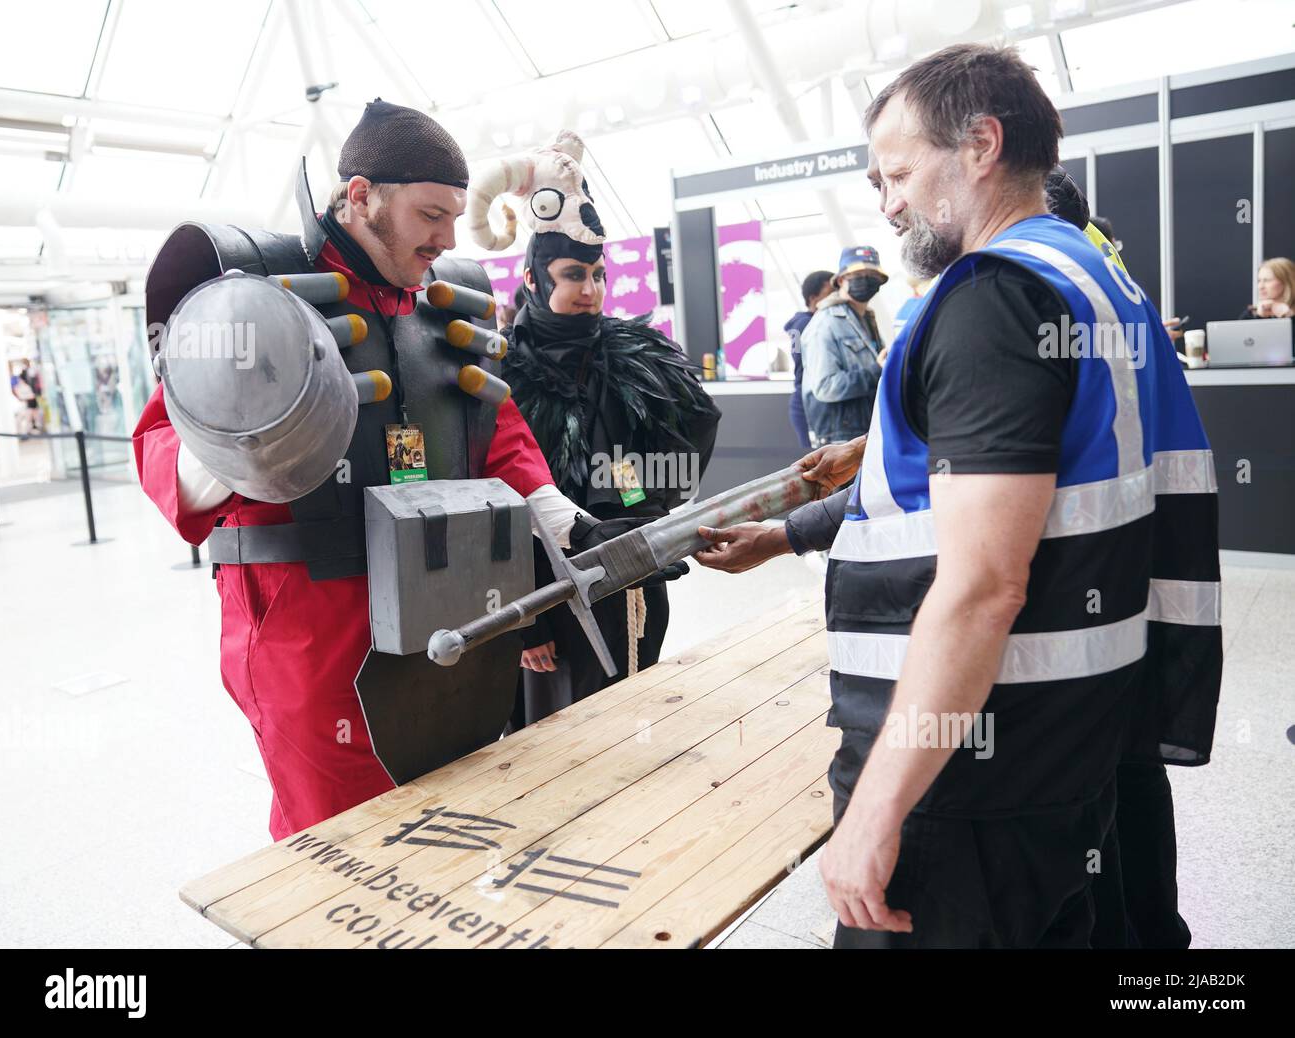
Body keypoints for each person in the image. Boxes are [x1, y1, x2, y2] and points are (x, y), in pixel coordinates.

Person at [693, 42, 1222, 949]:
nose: (888, 203)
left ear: (980, 143)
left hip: (975, 766)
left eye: (898, 173)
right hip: (1075, 731)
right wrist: (794, 528)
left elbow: (982, 584)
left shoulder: (991, 299)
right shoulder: (1096, 277)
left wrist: (874, 811)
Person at [133, 100, 608, 842]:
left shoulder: (450, 298)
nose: (447, 237)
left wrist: (567, 521)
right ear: (360, 198)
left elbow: (496, 428)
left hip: (444, 618)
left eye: (454, 216)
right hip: (310, 638)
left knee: (449, 824)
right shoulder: (258, 291)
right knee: (337, 846)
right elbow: (165, 439)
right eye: (429, 215)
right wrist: (253, 436)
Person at [469, 131, 721, 727]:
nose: (590, 290)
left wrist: (648, 514)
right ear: (533, 281)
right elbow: (487, 500)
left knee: (635, 718)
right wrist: (524, 618)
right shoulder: (498, 372)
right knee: (556, 738)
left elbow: (688, 438)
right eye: (573, 275)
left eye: (598, 275)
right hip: (545, 596)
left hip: (635, 576)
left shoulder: (638, 357)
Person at [799, 246, 887, 446]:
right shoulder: (825, 323)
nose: (866, 280)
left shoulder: (866, 319)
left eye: (872, 275)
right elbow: (825, 387)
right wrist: (876, 371)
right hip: (839, 439)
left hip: (864, 432)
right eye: (858, 275)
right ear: (840, 281)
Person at [785, 270, 835, 450]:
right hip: (808, 405)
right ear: (814, 298)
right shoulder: (809, 325)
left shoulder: (808, 323)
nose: (835, 297)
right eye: (830, 293)